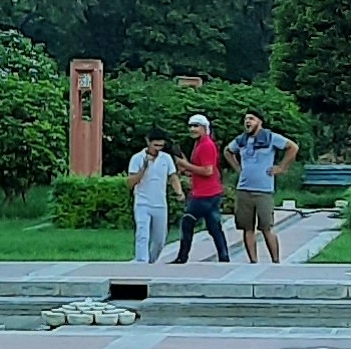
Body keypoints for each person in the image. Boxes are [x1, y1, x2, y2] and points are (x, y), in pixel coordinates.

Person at [229, 107, 296, 265]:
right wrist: (238, 168)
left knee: (266, 227)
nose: (247, 122)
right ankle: (253, 261)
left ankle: (276, 261)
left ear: (259, 121)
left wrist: (282, 167)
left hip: (263, 190)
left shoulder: (270, 137)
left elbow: (293, 147)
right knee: (247, 227)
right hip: (244, 189)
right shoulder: (241, 140)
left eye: (251, 119)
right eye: (246, 119)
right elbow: (228, 151)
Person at [171, 111, 233, 264]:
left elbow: (207, 170)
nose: (192, 129)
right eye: (190, 126)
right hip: (211, 191)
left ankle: (182, 257)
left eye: (196, 126)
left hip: (205, 193)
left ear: (205, 127)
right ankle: (224, 257)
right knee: (213, 226)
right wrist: (188, 168)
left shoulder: (206, 145)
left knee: (188, 221)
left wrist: (185, 165)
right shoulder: (200, 144)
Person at [125, 129, 176, 268]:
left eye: (161, 146)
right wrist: (144, 168)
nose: (158, 149)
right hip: (142, 203)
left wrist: (179, 192)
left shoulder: (166, 158)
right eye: (155, 145)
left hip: (160, 203)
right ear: (148, 142)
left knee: (160, 239)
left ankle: (151, 261)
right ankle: (141, 262)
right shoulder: (137, 158)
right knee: (142, 233)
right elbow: (130, 183)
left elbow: (173, 176)